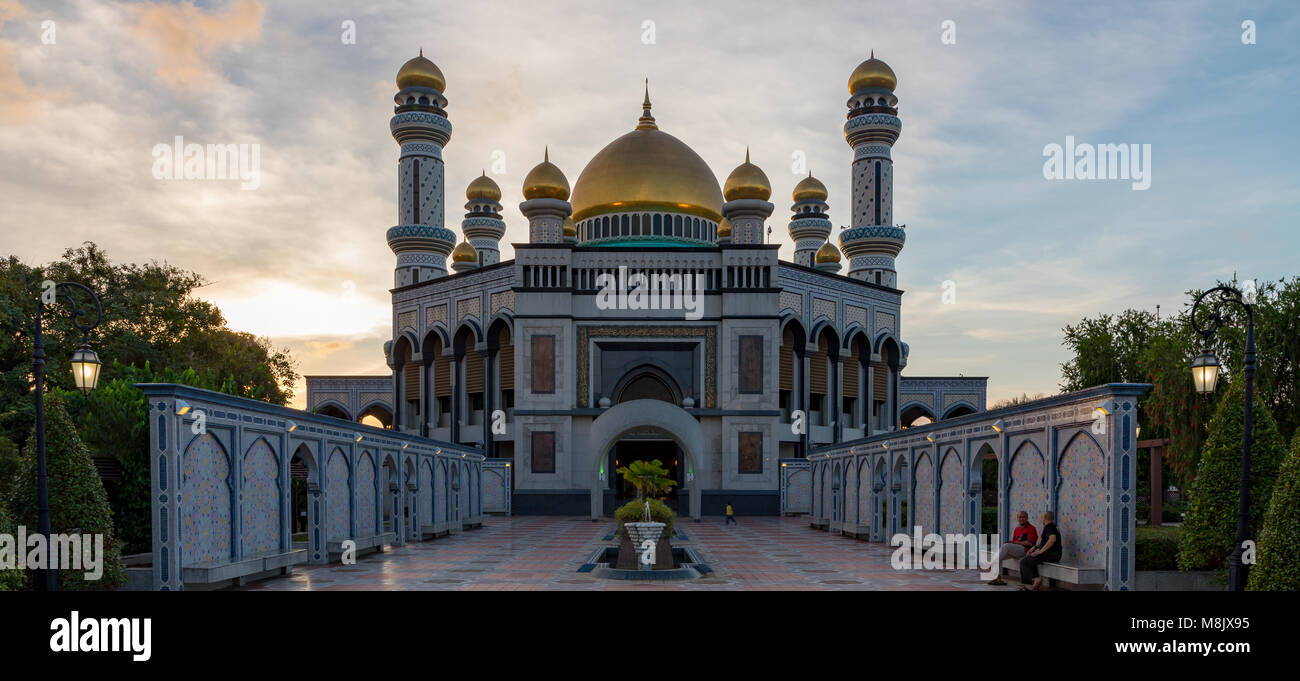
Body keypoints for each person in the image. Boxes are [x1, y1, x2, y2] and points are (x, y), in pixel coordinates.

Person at [987, 510, 1037, 585]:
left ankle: (991, 563)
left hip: (1025, 551)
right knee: (999, 556)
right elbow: (1013, 544)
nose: (1021, 519)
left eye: (1023, 517)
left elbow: (1030, 543)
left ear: (1027, 518)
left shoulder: (1031, 528)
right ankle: (998, 578)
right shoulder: (1017, 529)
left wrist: (1014, 543)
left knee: (1006, 546)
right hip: (1016, 552)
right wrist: (1013, 543)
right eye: (1019, 517)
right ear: (1017, 518)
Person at [1019, 511, 1062, 591]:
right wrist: (1034, 548)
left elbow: (1052, 539)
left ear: (1044, 518)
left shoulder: (1049, 526)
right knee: (1030, 559)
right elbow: (1043, 541)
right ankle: (1036, 581)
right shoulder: (1052, 526)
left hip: (1052, 554)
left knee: (1024, 561)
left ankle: (1029, 584)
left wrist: (1040, 552)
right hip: (1053, 554)